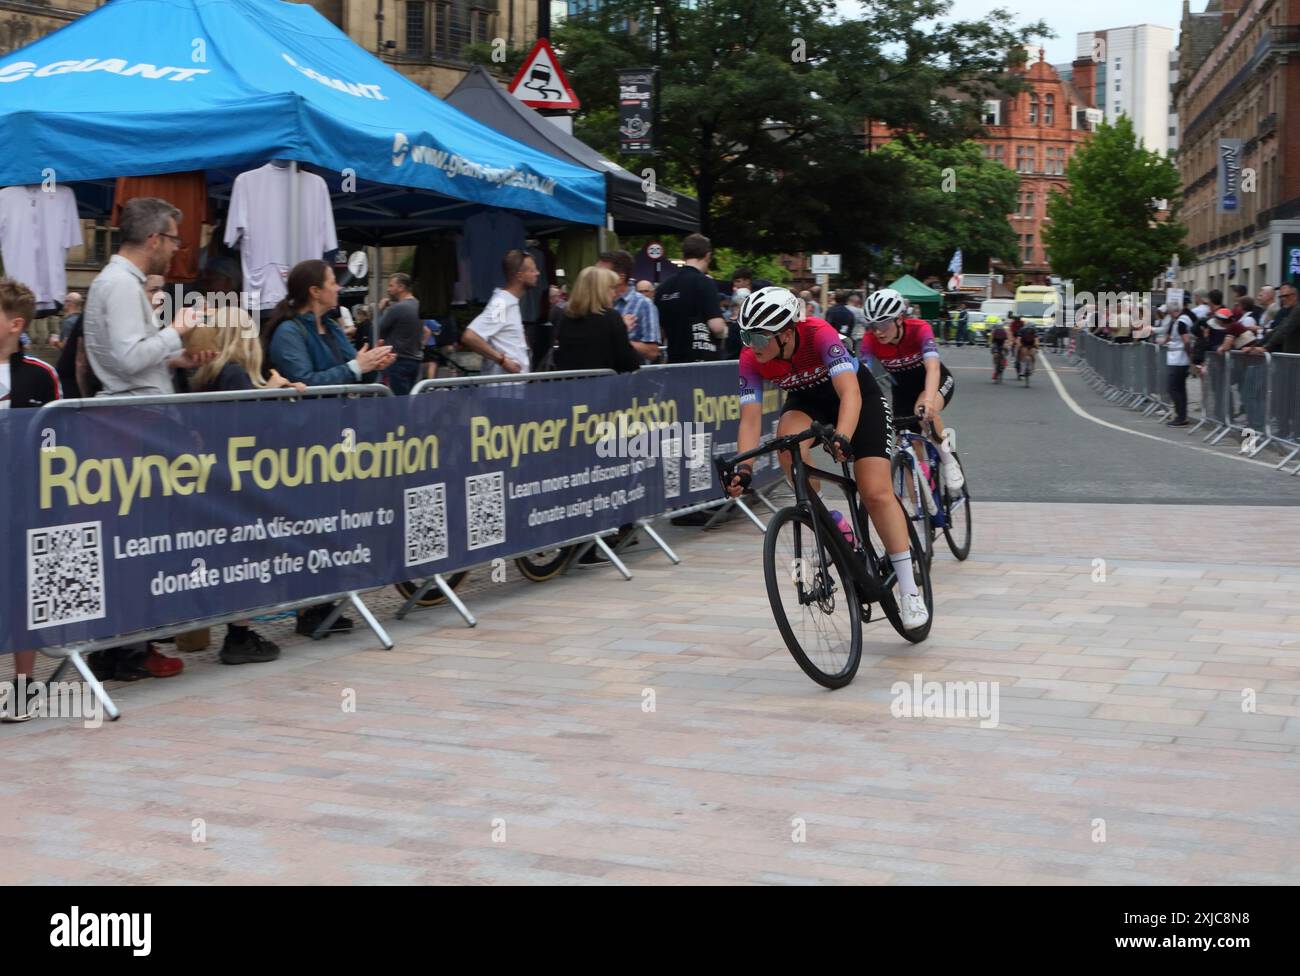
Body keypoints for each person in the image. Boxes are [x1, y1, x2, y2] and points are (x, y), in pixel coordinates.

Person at [724, 286, 929, 629]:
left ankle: (909, 589)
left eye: (758, 338)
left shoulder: (820, 333)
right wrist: (744, 467)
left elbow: (849, 392)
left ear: (787, 333)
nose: (750, 345)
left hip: (857, 398)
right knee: (785, 441)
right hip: (810, 402)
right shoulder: (750, 358)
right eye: (745, 335)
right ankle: (827, 518)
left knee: (874, 490)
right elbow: (750, 418)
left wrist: (843, 437)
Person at [80, 197, 214, 679]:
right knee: (137, 538)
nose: (178, 250)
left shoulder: (119, 282)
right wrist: (176, 333)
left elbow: (131, 355)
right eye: (175, 240)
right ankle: (124, 648)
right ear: (154, 239)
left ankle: (129, 646)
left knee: (140, 538)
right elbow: (128, 360)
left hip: (135, 418)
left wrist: (175, 359)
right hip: (134, 423)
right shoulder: (118, 284)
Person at [265, 259, 395, 638]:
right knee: (311, 520)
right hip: (305, 443)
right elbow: (306, 382)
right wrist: (356, 367)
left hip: (339, 439)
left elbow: (354, 369)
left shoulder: (333, 327)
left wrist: (373, 363)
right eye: (331, 283)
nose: (338, 288)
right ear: (314, 291)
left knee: (337, 518)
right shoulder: (289, 333)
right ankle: (308, 607)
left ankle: (325, 601)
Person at [185, 306, 303, 664]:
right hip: (237, 478)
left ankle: (235, 631)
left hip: (217, 476)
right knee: (243, 558)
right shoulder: (233, 375)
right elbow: (248, 426)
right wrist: (273, 392)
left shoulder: (209, 373)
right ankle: (238, 634)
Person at [1, 278, 61, 720]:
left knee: (24, 592)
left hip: (22, 504)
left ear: (14, 323)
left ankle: (24, 686)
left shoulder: (40, 374)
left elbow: (58, 440)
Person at [858, 287, 964, 491]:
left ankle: (949, 460)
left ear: (899, 319)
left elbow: (932, 367)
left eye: (884, 322)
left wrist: (929, 400)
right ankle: (924, 504)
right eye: (872, 324)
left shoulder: (919, 328)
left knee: (923, 410)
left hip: (935, 381)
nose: (878, 330)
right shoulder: (870, 340)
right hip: (903, 392)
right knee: (907, 447)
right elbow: (864, 378)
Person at [553, 266, 642, 374]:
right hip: (602, 385)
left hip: (569, 385)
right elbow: (629, 362)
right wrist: (622, 329)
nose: (615, 294)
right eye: (612, 288)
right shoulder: (611, 317)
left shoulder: (565, 316)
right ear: (601, 290)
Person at [460, 249, 536, 374]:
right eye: (532, 270)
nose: (537, 273)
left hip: (510, 389)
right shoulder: (501, 304)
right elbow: (471, 336)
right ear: (520, 275)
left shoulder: (508, 302)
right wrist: (502, 361)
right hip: (501, 390)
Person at [654, 233, 726, 363]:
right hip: (702, 362)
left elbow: (660, 331)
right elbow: (717, 327)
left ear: (684, 256)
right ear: (708, 255)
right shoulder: (705, 282)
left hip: (674, 361)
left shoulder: (663, 287)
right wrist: (726, 331)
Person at [605, 250, 660, 363]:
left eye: (603, 274)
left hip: (629, 377)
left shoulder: (643, 304)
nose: (596, 277)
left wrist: (619, 338)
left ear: (620, 277)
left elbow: (652, 352)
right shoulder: (595, 302)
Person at [377, 273, 423, 395]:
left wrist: (380, 309)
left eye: (391, 286)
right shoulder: (418, 305)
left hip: (397, 361)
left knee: (398, 402)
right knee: (409, 400)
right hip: (415, 360)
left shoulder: (398, 308)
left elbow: (378, 329)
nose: (388, 289)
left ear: (401, 287)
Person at [1159, 300, 1195, 426]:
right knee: (1180, 389)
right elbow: (1171, 337)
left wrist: (1190, 358)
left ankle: (1181, 416)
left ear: (1173, 311)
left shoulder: (1181, 322)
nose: (1168, 314)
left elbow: (1186, 340)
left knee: (1173, 388)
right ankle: (1182, 416)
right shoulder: (1179, 321)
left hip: (1179, 360)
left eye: (1168, 312)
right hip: (1178, 360)